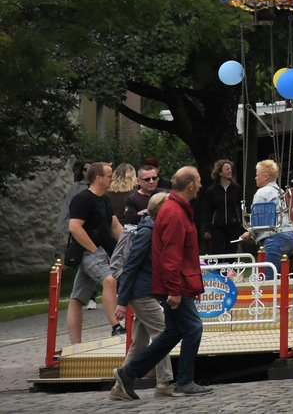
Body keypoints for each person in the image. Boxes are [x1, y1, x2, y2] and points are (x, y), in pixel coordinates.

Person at [110, 166, 207, 399]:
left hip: (176, 283)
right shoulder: (174, 212)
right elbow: (171, 256)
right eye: (199, 181)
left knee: (171, 333)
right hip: (175, 285)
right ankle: (184, 381)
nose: (201, 185)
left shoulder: (176, 209)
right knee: (193, 328)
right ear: (191, 185)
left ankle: (128, 374)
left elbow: (178, 255)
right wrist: (175, 290)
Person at [115, 191, 175, 394]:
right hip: (142, 293)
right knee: (162, 334)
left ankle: (120, 386)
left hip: (145, 292)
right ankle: (164, 383)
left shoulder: (154, 229)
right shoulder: (147, 232)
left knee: (139, 343)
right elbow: (130, 266)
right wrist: (122, 302)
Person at [63, 161, 123, 346]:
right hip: (88, 253)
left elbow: (114, 225)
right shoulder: (83, 199)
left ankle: (76, 345)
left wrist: (129, 244)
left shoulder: (104, 199)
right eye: (109, 175)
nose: (112, 178)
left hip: (100, 251)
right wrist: (93, 249)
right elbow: (74, 227)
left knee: (77, 298)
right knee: (110, 280)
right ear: (98, 178)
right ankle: (116, 327)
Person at [240, 159, 293, 269]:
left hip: (274, 238)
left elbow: (259, 218)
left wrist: (250, 232)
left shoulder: (262, 192)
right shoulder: (280, 191)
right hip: (291, 235)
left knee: (268, 276)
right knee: (281, 274)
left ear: (265, 177)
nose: (255, 178)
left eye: (257, 175)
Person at [196, 160, 240, 258]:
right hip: (217, 226)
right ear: (220, 172)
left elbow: (240, 206)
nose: (230, 171)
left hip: (233, 225)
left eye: (230, 169)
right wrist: (207, 229)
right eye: (227, 169)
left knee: (232, 251)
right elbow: (208, 210)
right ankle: (218, 272)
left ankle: (231, 272)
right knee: (217, 251)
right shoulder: (212, 191)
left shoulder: (236, 188)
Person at [121, 164, 160, 231]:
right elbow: (130, 221)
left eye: (154, 178)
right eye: (147, 179)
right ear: (138, 181)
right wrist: (146, 213)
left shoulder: (163, 194)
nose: (151, 181)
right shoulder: (132, 199)